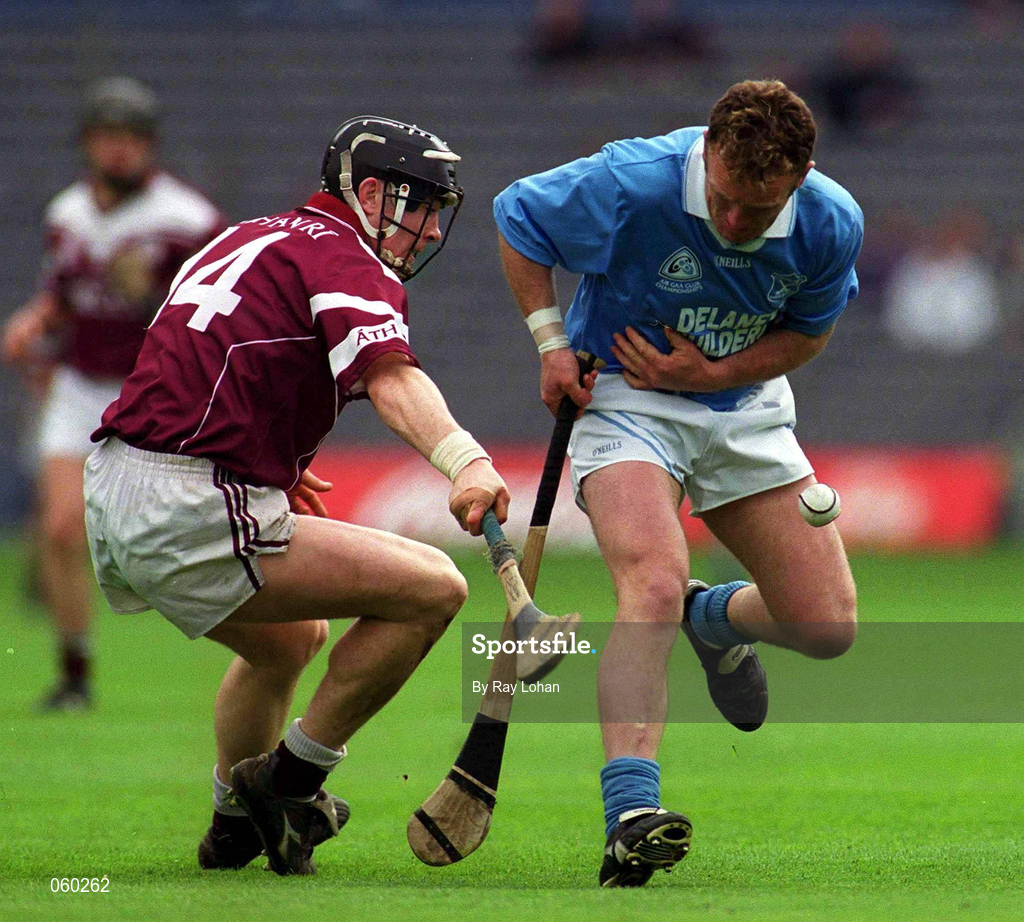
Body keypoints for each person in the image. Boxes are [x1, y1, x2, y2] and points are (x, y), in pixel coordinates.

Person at [82, 116, 510, 875]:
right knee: (434, 588)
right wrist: (466, 461)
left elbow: (208, 355)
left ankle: (235, 828)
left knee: (288, 641)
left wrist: (264, 451)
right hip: (190, 497)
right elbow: (391, 377)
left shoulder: (249, 235)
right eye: (423, 205)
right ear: (369, 192)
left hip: (122, 485)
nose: (433, 229)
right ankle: (288, 782)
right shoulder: (347, 255)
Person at [494, 80, 862, 888]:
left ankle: (715, 617)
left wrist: (717, 372)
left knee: (828, 626)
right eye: (725, 201)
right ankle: (632, 813)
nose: (734, 224)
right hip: (625, 394)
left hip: (744, 406)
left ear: (797, 179)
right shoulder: (636, 180)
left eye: (756, 213)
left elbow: (809, 330)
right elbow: (517, 216)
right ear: (709, 158)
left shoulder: (832, 221)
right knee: (650, 584)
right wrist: (550, 342)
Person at [1, 76, 226, 711]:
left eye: (131, 138)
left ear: (149, 145)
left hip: (149, 387)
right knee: (61, 529)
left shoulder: (187, 220)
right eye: (108, 138)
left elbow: (220, 307)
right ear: (88, 144)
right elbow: (63, 297)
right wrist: (35, 322)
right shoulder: (66, 213)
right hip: (79, 383)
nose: (119, 151)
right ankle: (75, 674)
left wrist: (149, 297)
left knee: (180, 533)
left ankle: (259, 653)